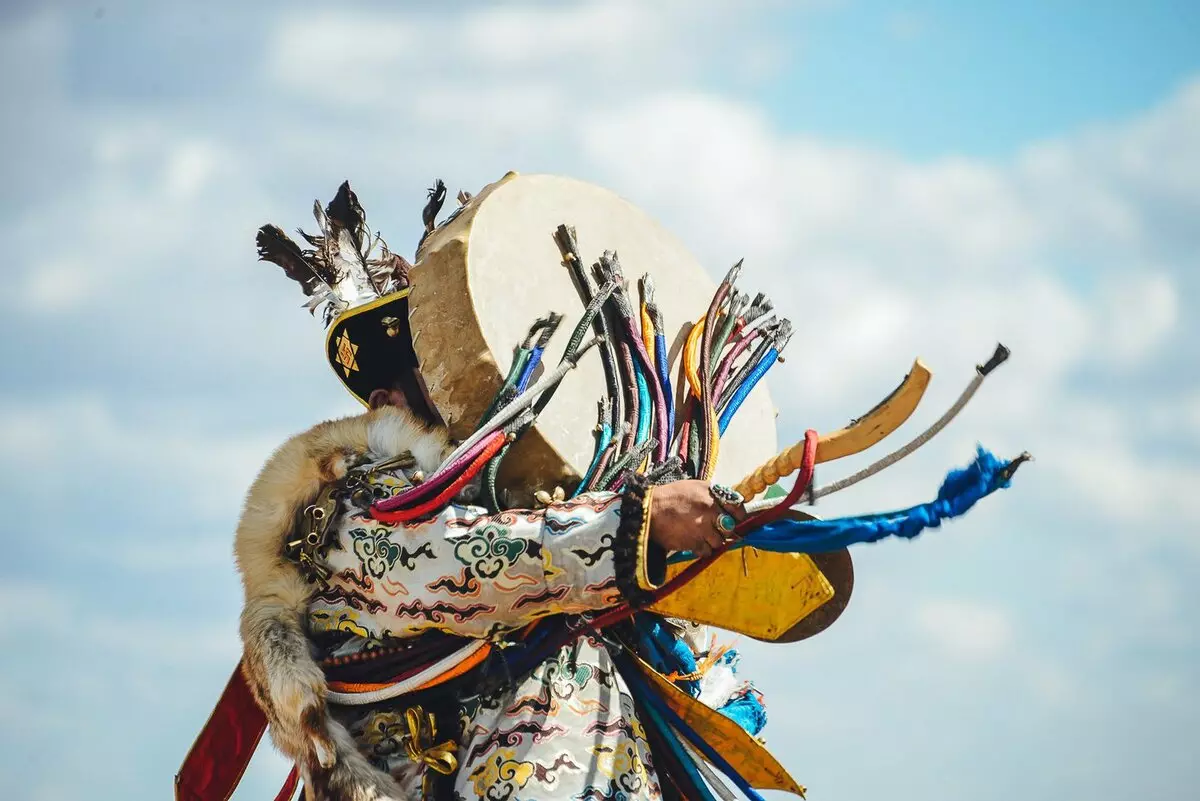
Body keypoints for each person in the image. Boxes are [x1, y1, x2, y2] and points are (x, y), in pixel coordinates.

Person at [235, 181, 766, 800]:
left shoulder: (553, 512)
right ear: (388, 401)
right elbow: (448, 562)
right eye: (446, 366)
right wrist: (636, 523)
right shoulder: (347, 496)